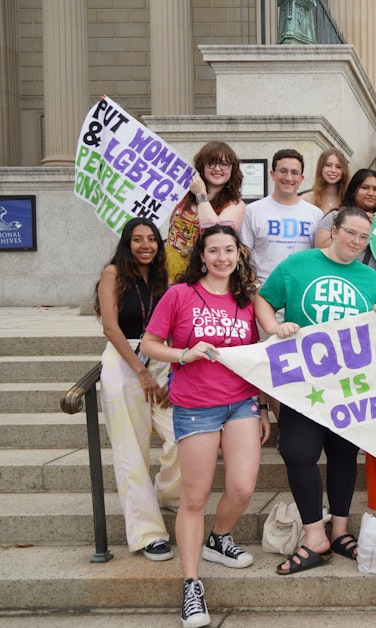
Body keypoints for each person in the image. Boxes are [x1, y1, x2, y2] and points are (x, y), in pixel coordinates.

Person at [255, 207, 376, 575]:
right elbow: (263, 299)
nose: (356, 241)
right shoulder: (298, 265)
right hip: (304, 384)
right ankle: (314, 535)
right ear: (334, 231)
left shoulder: (372, 279)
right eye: (350, 233)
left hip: (349, 387)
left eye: (363, 237)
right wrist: (274, 325)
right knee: (297, 451)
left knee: (342, 455)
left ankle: (339, 531)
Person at [141, 225, 267, 628]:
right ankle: (192, 585)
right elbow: (148, 344)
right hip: (196, 406)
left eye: (229, 250)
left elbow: (257, 352)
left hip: (242, 402)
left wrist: (262, 405)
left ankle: (220, 536)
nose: (222, 258)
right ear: (202, 256)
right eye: (213, 251)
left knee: (243, 487)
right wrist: (184, 353)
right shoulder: (180, 294)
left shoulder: (246, 298)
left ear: (239, 254)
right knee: (194, 498)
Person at [94, 217, 179, 561]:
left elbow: (175, 328)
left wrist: (171, 373)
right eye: (137, 240)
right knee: (131, 449)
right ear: (127, 244)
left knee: (183, 438)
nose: (146, 246)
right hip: (124, 361)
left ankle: (164, 492)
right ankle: (148, 533)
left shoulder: (165, 278)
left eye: (152, 240)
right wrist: (141, 372)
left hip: (160, 358)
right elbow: (111, 328)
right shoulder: (113, 274)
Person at [241, 148, 324, 285]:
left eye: (294, 173)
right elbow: (244, 257)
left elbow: (319, 257)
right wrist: (256, 289)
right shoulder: (252, 211)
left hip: (302, 290)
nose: (288, 178)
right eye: (283, 171)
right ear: (272, 174)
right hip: (264, 290)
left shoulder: (315, 214)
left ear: (301, 178)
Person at [165, 141, 246, 281]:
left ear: (233, 169)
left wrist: (201, 194)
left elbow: (215, 232)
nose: (217, 168)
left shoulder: (236, 205)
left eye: (224, 164)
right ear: (202, 167)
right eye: (211, 163)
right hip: (166, 269)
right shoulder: (184, 194)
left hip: (201, 272)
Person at [314, 168, 376, 250]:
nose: (371, 193)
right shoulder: (334, 216)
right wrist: (355, 221)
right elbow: (320, 247)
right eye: (365, 188)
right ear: (353, 190)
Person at [300, 148, 349, 213]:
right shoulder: (306, 199)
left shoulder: (349, 201)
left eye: (338, 167)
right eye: (328, 165)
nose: (333, 170)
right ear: (321, 168)